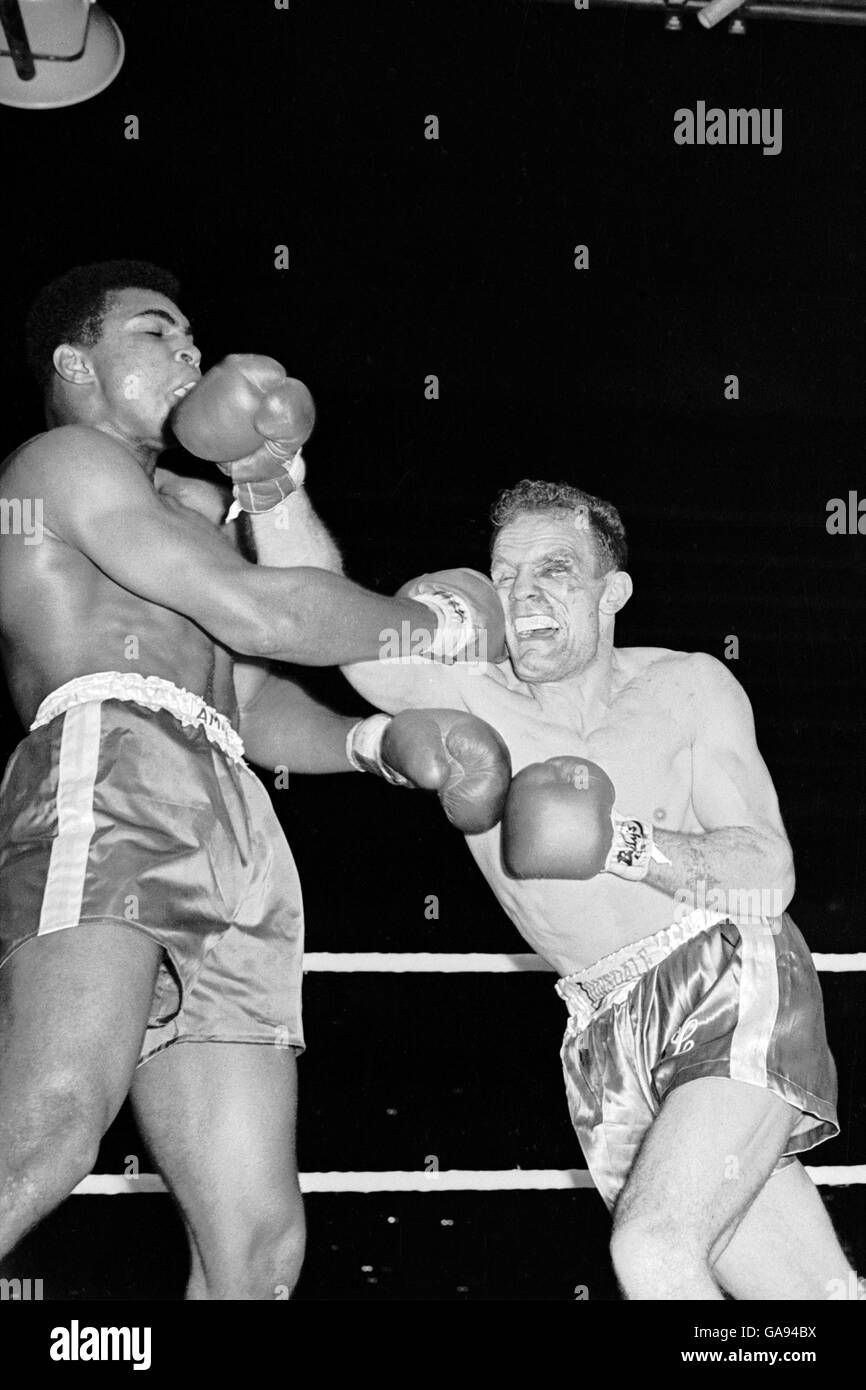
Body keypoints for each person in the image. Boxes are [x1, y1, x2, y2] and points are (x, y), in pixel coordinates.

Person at [0, 260, 509, 1300]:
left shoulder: (195, 502)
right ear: (75, 362)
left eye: (193, 332)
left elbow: (246, 696)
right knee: (48, 1126)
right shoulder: (59, 464)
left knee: (258, 1242)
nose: (187, 348)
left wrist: (376, 742)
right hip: (113, 768)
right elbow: (257, 610)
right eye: (153, 332)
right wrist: (440, 625)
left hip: (229, 807)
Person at [328, 478, 856, 1300]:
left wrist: (620, 843)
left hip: (719, 970)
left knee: (651, 1249)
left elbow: (769, 874)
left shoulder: (686, 686)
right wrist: (270, 477)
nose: (523, 593)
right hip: (603, 1025)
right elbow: (325, 629)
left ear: (612, 592)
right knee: (806, 1306)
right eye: (505, 575)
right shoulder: (467, 696)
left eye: (555, 571)